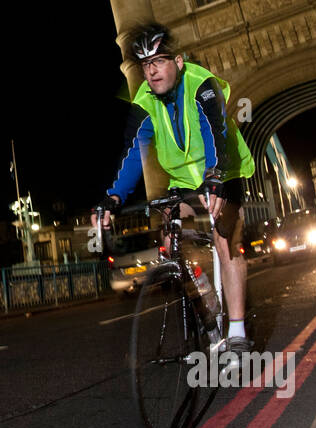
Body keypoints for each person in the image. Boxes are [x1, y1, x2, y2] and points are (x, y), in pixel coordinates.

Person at [94, 23, 257, 354]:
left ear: (178, 62)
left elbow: (217, 133)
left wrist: (215, 177)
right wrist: (113, 198)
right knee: (170, 242)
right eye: (145, 65)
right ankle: (210, 313)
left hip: (223, 169)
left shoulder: (201, 84)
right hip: (183, 180)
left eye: (159, 62)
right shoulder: (144, 101)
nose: (151, 71)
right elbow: (133, 153)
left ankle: (238, 333)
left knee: (226, 240)